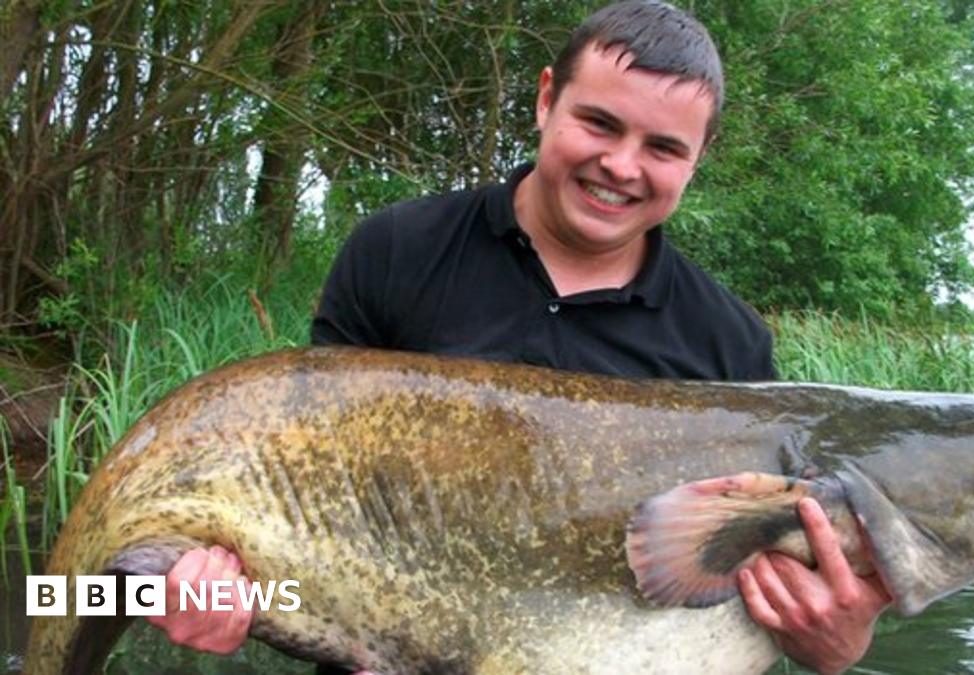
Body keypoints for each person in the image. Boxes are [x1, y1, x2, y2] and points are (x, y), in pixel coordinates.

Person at [150, 2, 891, 673]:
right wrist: (216, 592)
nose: (621, 165)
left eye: (663, 147)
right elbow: (304, 494)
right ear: (544, 99)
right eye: (599, 123)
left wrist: (833, 642)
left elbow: (742, 598)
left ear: (700, 156)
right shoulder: (396, 250)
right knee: (68, 599)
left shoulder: (730, 342)